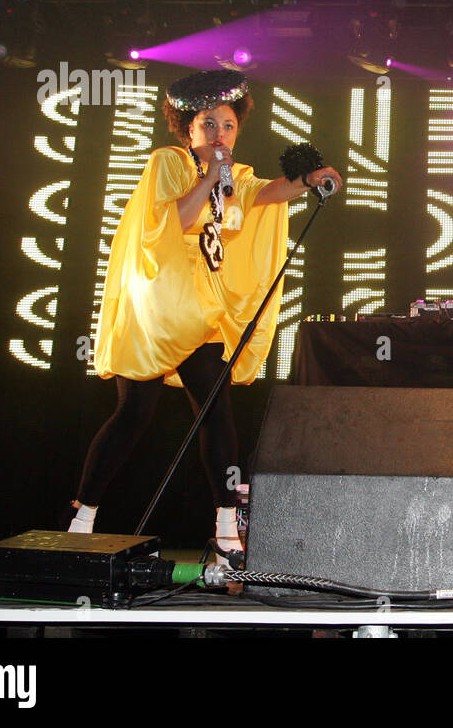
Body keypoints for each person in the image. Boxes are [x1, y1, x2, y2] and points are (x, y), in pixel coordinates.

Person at [63, 70, 342, 563]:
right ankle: (81, 519)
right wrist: (211, 175)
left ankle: (226, 529)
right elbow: (178, 220)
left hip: (202, 312)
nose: (219, 134)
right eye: (208, 124)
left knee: (215, 412)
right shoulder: (168, 163)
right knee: (134, 413)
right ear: (188, 130)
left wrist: (309, 179)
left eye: (228, 125)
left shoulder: (239, 177)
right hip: (158, 308)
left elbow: (267, 194)